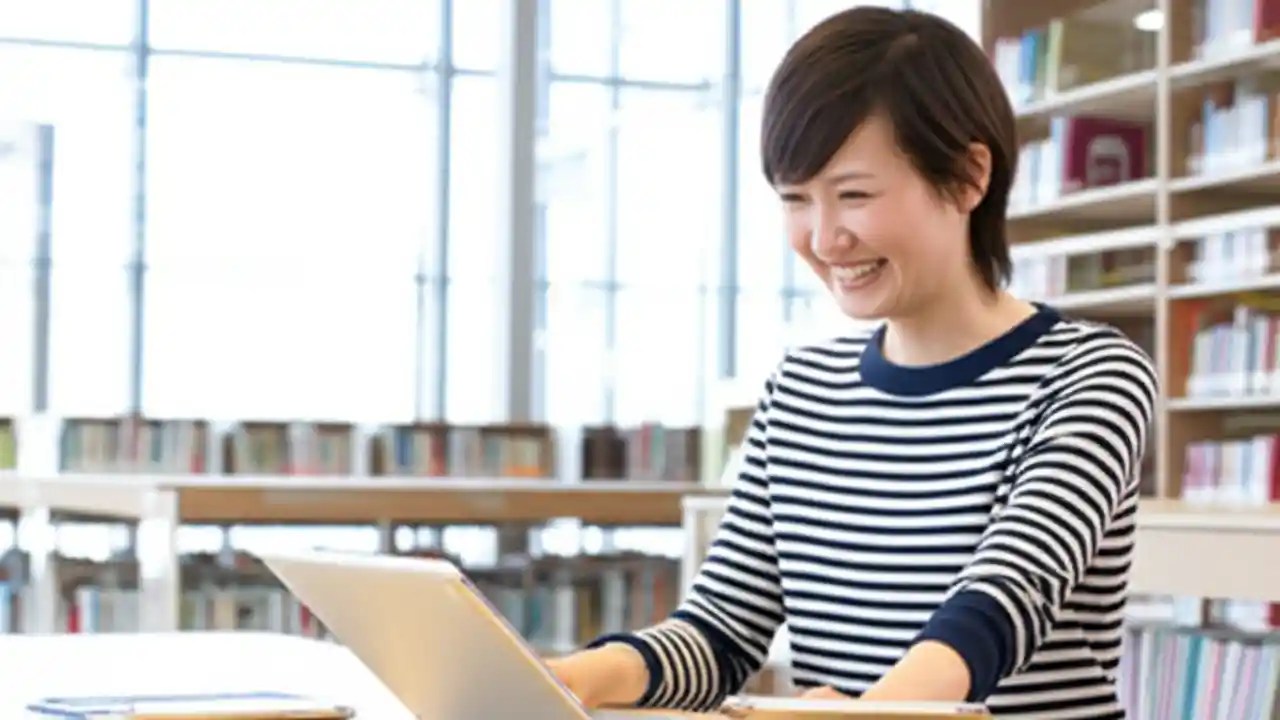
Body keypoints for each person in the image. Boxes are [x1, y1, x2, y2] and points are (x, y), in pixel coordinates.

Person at [547, 6, 1156, 719]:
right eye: (797, 200)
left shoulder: (1090, 376)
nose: (825, 237)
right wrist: (568, 678)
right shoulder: (801, 392)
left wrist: (867, 714)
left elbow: (999, 605)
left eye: (855, 195)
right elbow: (718, 634)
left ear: (967, 176)